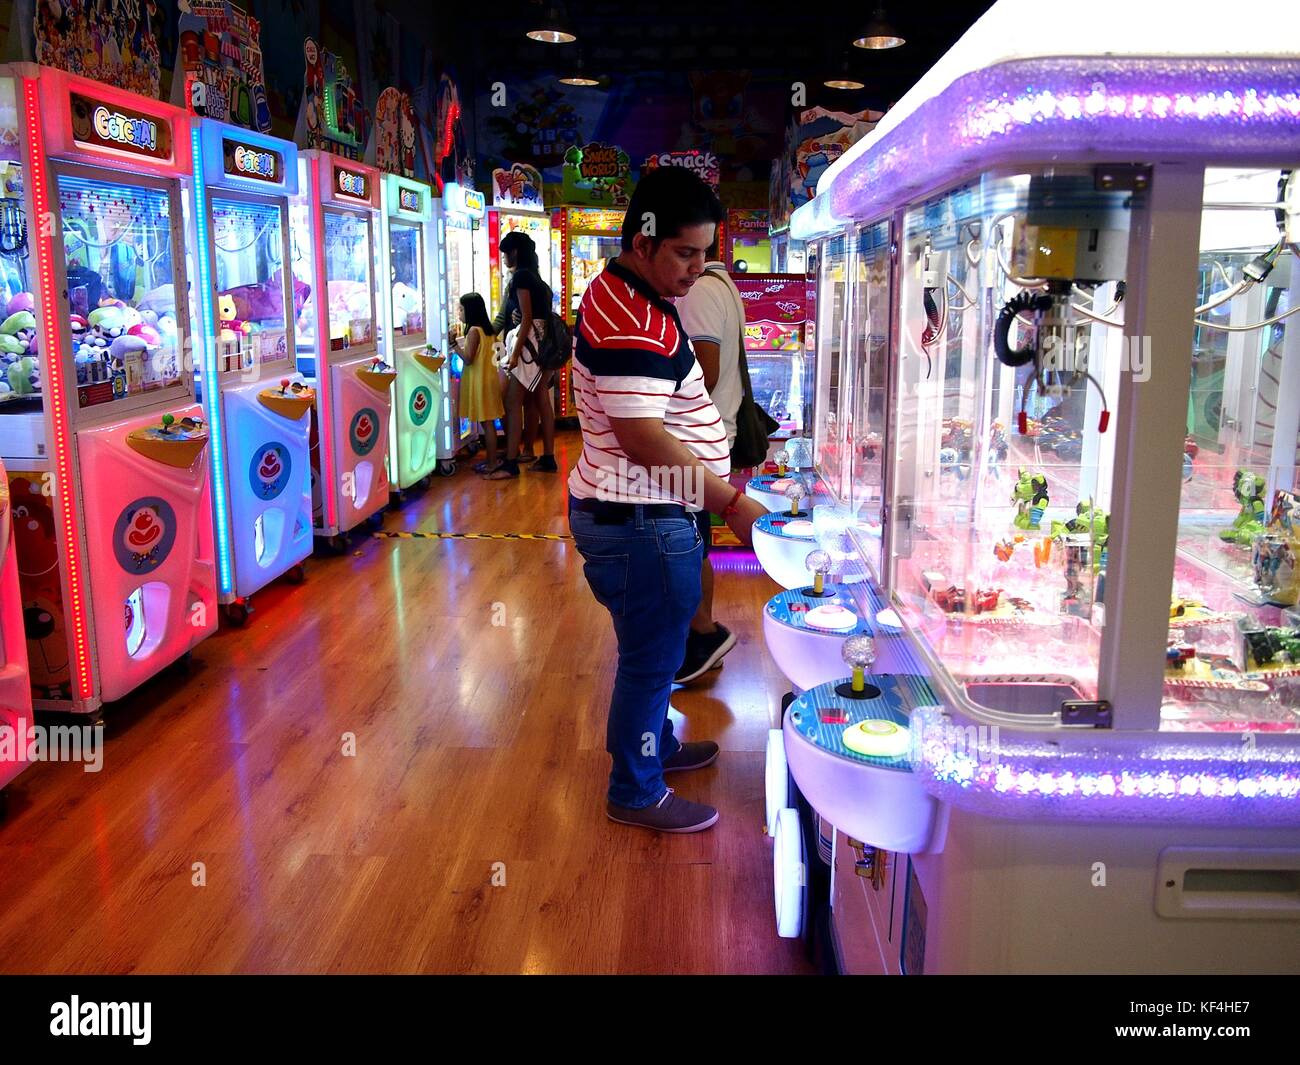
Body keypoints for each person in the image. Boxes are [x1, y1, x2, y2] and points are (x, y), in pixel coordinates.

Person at [568, 167, 767, 834]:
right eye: (685, 253)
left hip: (643, 516)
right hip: (640, 522)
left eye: (706, 253)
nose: (696, 270)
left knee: (652, 655)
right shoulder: (628, 316)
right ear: (642, 239)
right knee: (651, 663)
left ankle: (658, 747)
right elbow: (644, 441)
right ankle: (635, 787)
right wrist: (729, 503)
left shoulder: (632, 294)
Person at [672, 238, 745, 684]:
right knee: (696, 538)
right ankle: (704, 639)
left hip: (697, 438)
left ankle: (703, 633)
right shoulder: (721, 283)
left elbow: (706, 369)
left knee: (691, 542)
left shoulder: (699, 289)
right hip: (709, 434)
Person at [486, 231, 557, 479]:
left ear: (514, 252)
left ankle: (511, 462)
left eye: (505, 252)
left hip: (529, 347)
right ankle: (548, 457)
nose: (504, 257)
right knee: (542, 402)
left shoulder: (521, 278)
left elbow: (525, 318)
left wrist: (514, 354)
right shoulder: (538, 280)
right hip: (545, 344)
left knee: (513, 403)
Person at [448, 293, 504, 473]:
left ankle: (492, 463)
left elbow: (469, 359)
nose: (459, 313)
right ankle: (492, 461)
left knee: (486, 423)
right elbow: (498, 356)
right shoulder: (489, 330)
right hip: (489, 379)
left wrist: (454, 345)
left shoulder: (473, 331)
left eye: (461, 309)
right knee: (488, 422)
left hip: (479, 382)